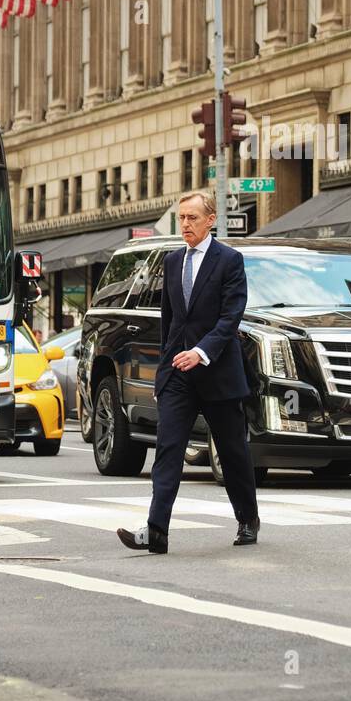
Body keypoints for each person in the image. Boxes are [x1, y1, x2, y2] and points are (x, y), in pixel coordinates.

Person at [117, 191, 259, 555]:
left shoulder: (229, 260)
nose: (185, 225)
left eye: (192, 218)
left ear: (211, 219)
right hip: (178, 375)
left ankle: (247, 517)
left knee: (231, 452)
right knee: (167, 450)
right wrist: (163, 373)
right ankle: (156, 530)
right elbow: (171, 322)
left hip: (218, 373)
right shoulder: (172, 260)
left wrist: (201, 352)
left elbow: (231, 317)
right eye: (181, 218)